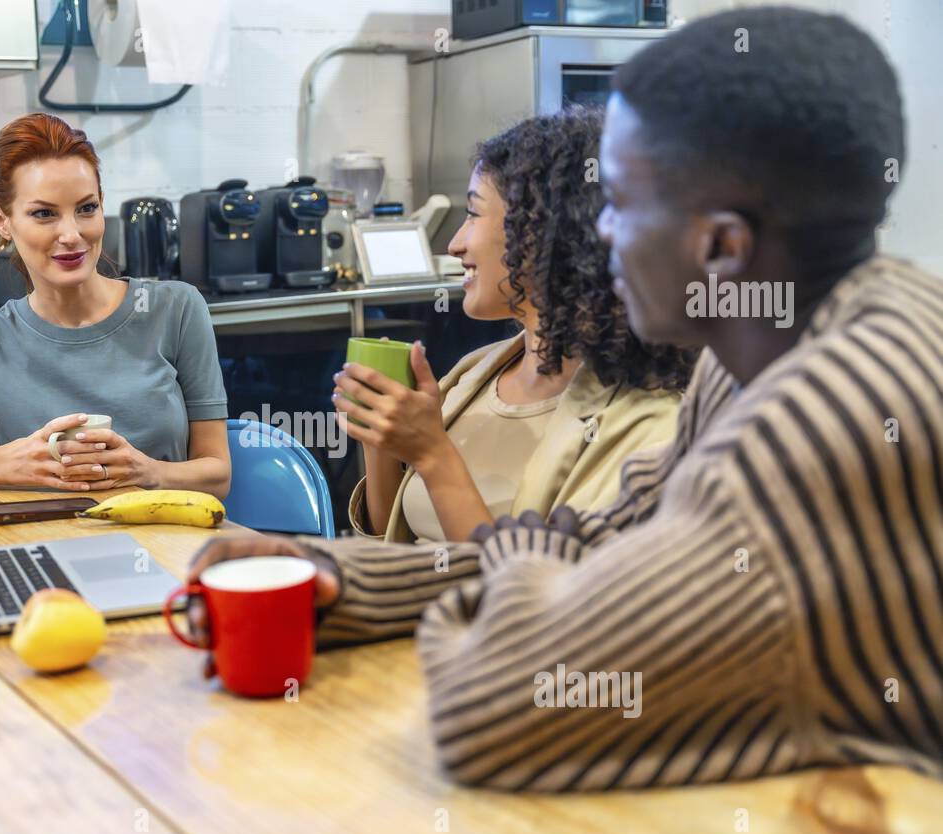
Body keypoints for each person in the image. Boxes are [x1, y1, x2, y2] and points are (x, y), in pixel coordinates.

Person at [188, 6, 943, 790]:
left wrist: (499, 613)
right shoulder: (759, 349)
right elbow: (590, 542)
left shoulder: (835, 414)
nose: (597, 235)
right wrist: (340, 578)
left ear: (721, 245)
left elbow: (496, 707)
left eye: (619, 201)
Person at [337, 108, 696, 544]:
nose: (455, 244)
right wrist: (380, 440)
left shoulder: (648, 426)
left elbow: (539, 590)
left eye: (472, 214)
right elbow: (392, 545)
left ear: (543, 232)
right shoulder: (474, 375)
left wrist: (432, 453)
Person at [0, 113, 231, 497]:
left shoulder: (176, 310)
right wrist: (5, 462)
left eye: (86, 208)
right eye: (44, 214)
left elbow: (217, 474)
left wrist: (147, 471)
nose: (71, 234)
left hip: (169, 546)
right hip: (40, 549)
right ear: (1, 221)